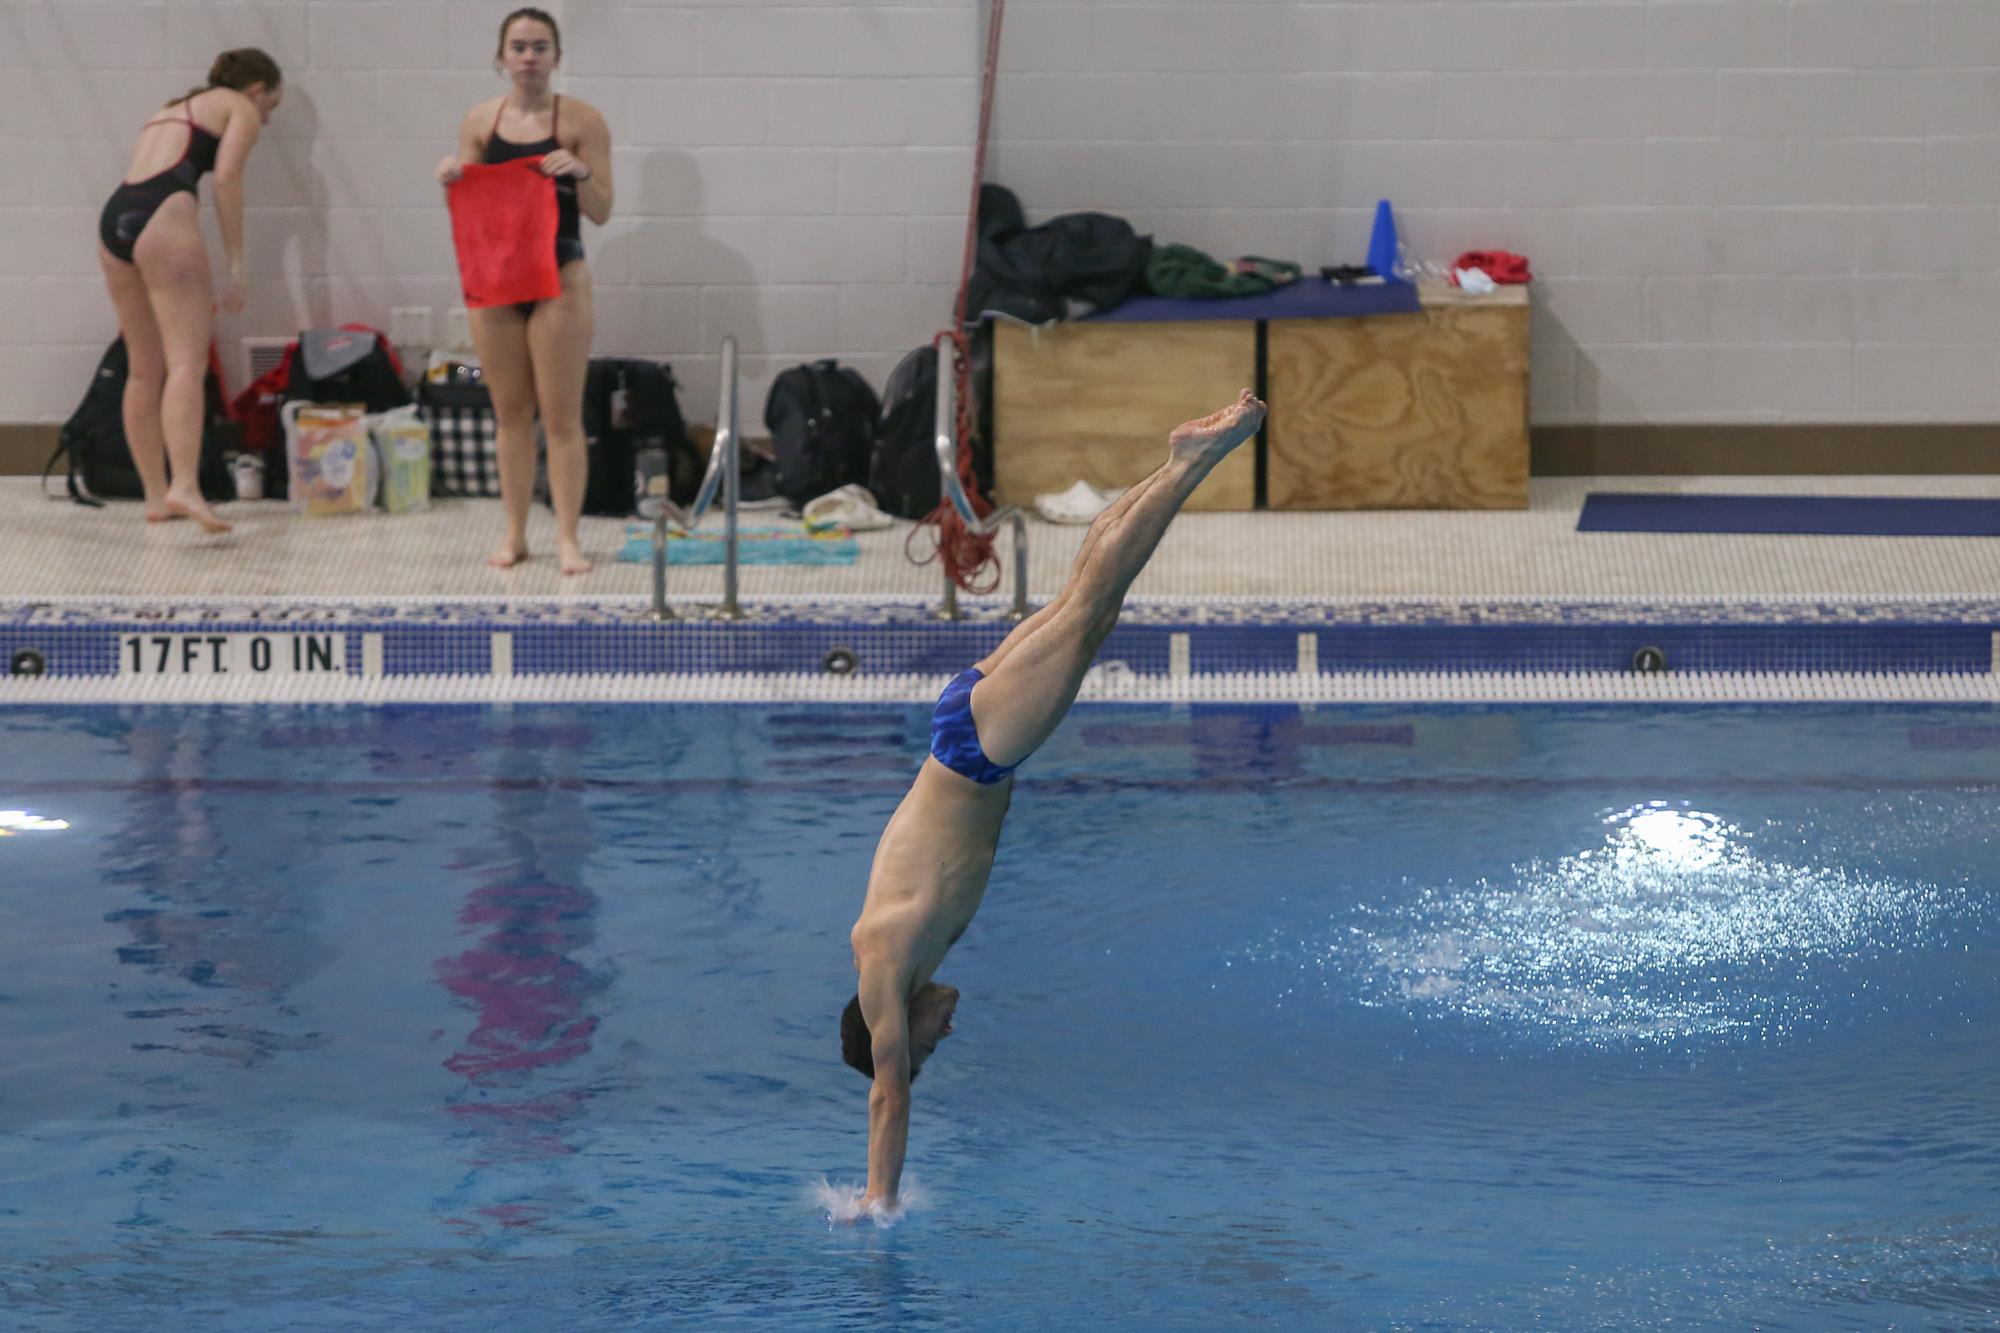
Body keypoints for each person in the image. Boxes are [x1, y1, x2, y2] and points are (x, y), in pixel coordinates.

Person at [840, 390, 1267, 1215]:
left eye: (927, 1045)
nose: (943, 1034)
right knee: (1086, 604)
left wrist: (878, 1202)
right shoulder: (906, 955)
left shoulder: (883, 969)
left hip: (977, 752)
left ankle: (1187, 464)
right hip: (964, 736)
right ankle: (1176, 458)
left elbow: (887, 1095)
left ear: (889, 1031)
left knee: (1095, 605)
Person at [436, 6, 614, 576]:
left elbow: (604, 211)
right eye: (519, 47)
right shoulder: (478, 125)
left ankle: (567, 537)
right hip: (497, 279)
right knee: (510, 412)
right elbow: (468, 214)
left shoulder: (582, 121)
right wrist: (451, 181)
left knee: (561, 417)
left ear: (557, 57)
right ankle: (514, 534)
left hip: (560, 274)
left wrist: (581, 175)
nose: (529, 57)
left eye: (540, 47)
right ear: (501, 58)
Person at [97, 49, 283, 534]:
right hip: (164, 214)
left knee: (144, 369)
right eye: (271, 107)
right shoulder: (238, 106)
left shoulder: (171, 109)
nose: (265, 119)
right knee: (185, 363)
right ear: (258, 90)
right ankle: (185, 485)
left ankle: (156, 497)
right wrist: (238, 264)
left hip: (115, 216)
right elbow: (226, 179)